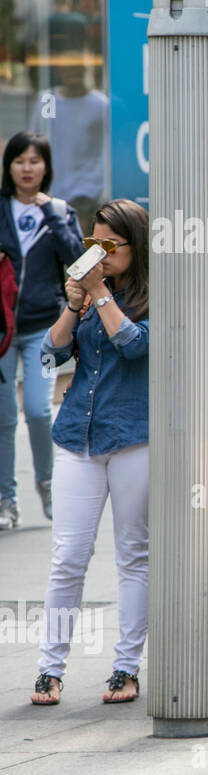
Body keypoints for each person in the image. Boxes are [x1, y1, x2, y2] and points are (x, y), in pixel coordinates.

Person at [30, 199, 150, 706]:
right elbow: (50, 352)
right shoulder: (86, 294)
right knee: (68, 558)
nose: (97, 252)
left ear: (133, 247)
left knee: (133, 555)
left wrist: (100, 293)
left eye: (108, 245)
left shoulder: (154, 295)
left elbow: (135, 345)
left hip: (133, 437)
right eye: (90, 243)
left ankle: (125, 667)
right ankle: (48, 668)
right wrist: (74, 302)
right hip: (77, 433)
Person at [0, 132, 83, 530]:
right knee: (3, 418)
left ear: (46, 166)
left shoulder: (62, 211)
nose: (27, 168)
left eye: (35, 161)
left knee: (36, 409)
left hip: (42, 329)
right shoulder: (1, 208)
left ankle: (47, 483)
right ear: (9, 166)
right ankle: (6, 499)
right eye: (20, 161)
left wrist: (51, 213)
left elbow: (77, 261)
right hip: (1, 330)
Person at [29, 48, 109, 237]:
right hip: (52, 188)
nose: (73, 73)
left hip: (86, 192)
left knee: (78, 244)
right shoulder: (48, 100)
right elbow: (35, 139)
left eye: (78, 68)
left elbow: (107, 147)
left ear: (85, 70)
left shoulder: (100, 105)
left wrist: (96, 186)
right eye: (68, 68)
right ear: (60, 71)